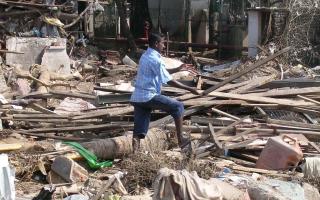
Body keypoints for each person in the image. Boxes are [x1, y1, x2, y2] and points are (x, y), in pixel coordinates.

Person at [130, 32, 201, 153]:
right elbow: (167, 80)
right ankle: (181, 140)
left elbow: (161, 71)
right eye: (163, 43)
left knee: (138, 131)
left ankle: (134, 154)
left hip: (138, 98)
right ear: (156, 44)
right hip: (149, 96)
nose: (164, 46)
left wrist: (177, 69)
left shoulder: (146, 55)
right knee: (178, 107)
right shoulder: (155, 59)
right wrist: (190, 89)